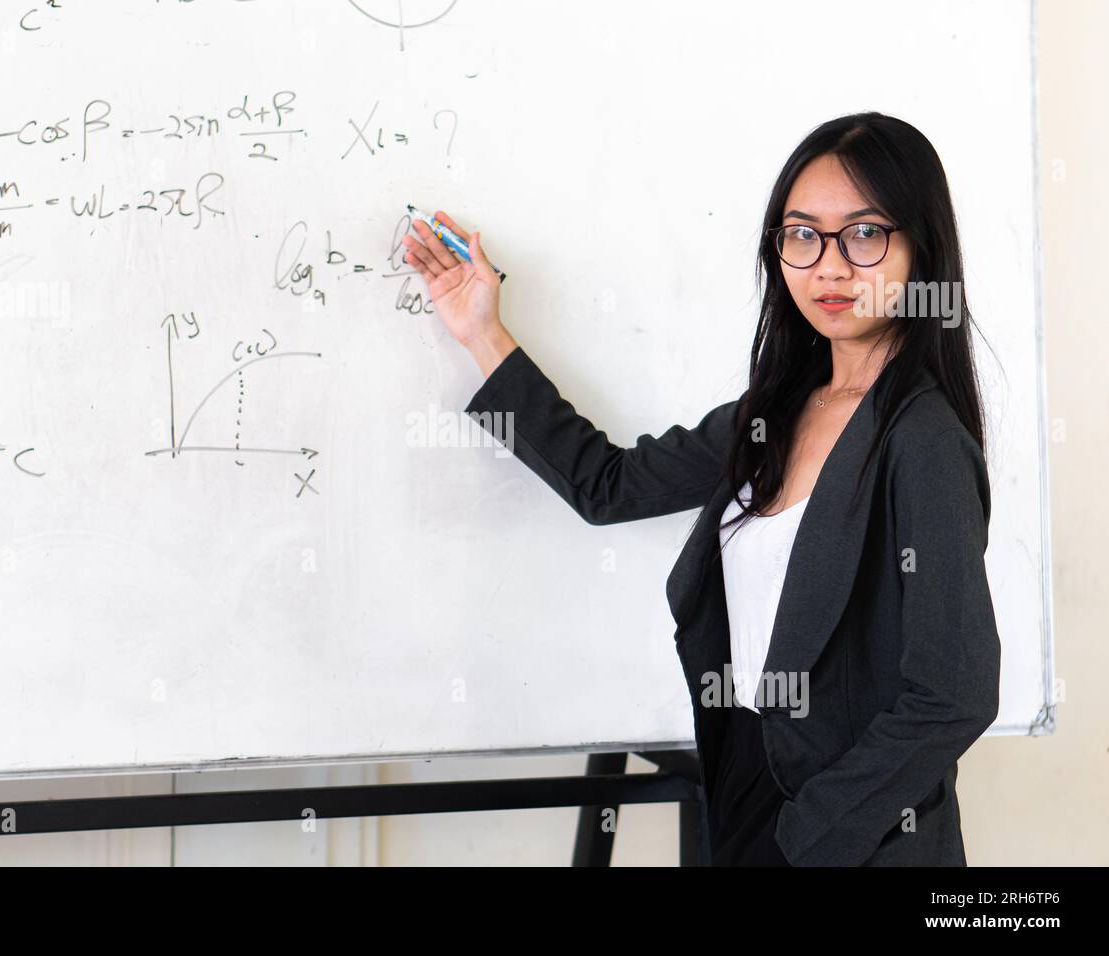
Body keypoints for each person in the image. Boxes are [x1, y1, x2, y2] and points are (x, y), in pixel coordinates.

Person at [402, 111, 1001, 867]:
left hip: (852, 830)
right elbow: (607, 484)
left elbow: (955, 693)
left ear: (922, 248)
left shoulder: (922, 441)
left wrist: (813, 831)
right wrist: (482, 332)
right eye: (802, 234)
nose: (830, 266)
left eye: (864, 233)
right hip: (746, 786)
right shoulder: (772, 414)